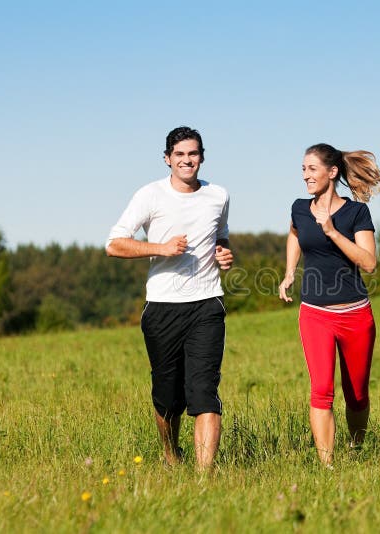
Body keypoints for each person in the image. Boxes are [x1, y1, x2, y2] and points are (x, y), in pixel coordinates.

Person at [106, 126, 233, 470]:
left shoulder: (218, 195)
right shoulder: (150, 195)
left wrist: (224, 253)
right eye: (179, 154)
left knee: (204, 392)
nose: (186, 160)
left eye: (192, 153)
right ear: (167, 159)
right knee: (167, 396)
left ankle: (204, 478)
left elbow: (220, 238)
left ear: (202, 157)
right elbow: (114, 244)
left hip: (207, 303)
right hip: (162, 307)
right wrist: (161, 248)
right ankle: (170, 454)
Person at [279, 143, 380, 466]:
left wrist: (332, 231)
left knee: (356, 395)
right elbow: (295, 235)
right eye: (303, 169)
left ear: (332, 172)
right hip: (315, 314)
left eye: (312, 169)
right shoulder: (299, 207)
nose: (305, 175)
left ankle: (357, 450)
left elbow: (369, 263)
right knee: (321, 390)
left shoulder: (355, 213)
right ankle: (327, 466)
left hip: (355, 315)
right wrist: (289, 273)